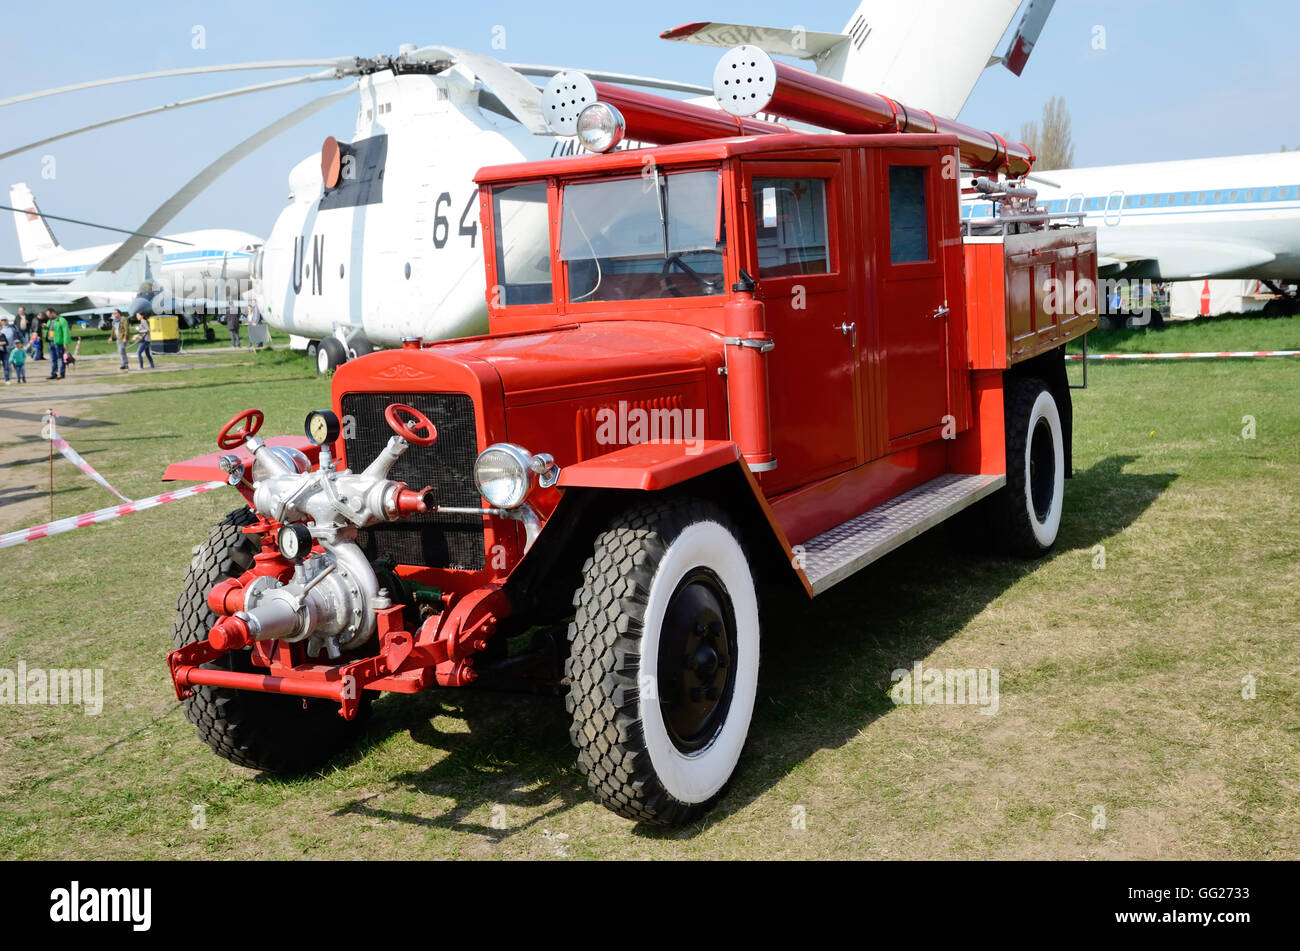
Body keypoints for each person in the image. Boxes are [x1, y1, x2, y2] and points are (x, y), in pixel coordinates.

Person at [47, 308, 70, 379]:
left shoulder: (62, 320)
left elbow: (66, 332)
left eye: (49, 315)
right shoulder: (49, 321)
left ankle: (62, 374)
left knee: (60, 358)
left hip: (58, 342)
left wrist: (65, 343)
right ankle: (54, 373)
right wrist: (45, 327)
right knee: (53, 359)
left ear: (53, 313)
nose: (48, 316)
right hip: (51, 342)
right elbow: (49, 329)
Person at [0, 316, 13, 384]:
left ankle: (7, 379)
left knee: (6, 365)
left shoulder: (3, 335)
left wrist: (2, 343)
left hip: (4, 352)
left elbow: (6, 342)